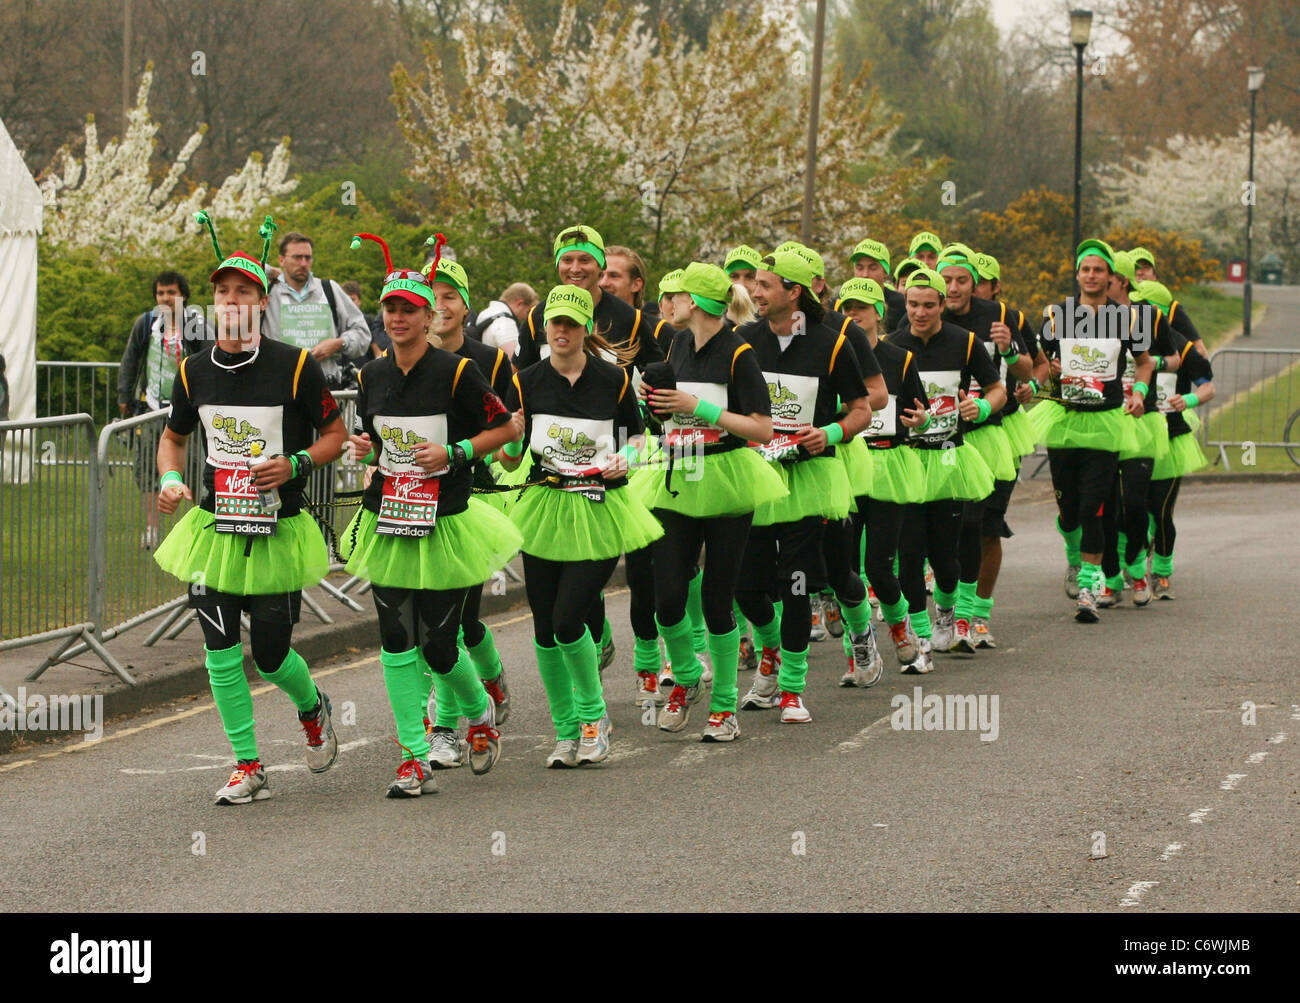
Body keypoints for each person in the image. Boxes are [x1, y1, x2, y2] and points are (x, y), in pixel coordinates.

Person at [154, 212, 346, 805]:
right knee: (217, 646)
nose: (231, 299)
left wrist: (297, 464)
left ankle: (312, 706)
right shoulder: (193, 369)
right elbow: (175, 438)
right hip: (216, 528)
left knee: (270, 651)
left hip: (278, 527)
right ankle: (247, 763)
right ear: (212, 302)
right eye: (222, 291)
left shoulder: (293, 364)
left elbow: (334, 433)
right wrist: (168, 477)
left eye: (243, 291)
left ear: (262, 302)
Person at [338, 235, 521, 796]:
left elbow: (508, 429)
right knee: (395, 638)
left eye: (408, 309)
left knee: (441, 645)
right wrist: (364, 448)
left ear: (428, 314)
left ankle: (477, 713)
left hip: (445, 519)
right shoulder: (372, 375)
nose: (397, 318)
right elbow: (375, 432)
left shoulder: (458, 372)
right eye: (389, 309)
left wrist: (457, 452)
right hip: (388, 515)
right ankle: (413, 757)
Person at [499, 284, 663, 766]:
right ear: (546, 326)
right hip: (544, 505)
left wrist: (623, 460)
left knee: (570, 618)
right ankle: (566, 730)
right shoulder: (526, 379)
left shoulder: (610, 379)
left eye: (572, 322)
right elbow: (511, 459)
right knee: (546, 627)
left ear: (587, 327)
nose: (563, 331)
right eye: (556, 322)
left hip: (599, 507)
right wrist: (511, 433)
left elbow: (637, 437)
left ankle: (594, 720)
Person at [639, 262, 786, 740]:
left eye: (677, 295)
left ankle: (724, 707)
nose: (669, 303)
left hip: (726, 477)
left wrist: (696, 407)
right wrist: (654, 403)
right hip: (679, 473)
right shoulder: (678, 342)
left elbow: (762, 428)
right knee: (667, 600)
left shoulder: (739, 353)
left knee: (718, 601)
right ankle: (685, 677)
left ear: (698, 303)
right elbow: (670, 415)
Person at [514, 224, 668, 681]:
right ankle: (591, 643)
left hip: (616, 458)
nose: (575, 268)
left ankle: (646, 658)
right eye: (567, 259)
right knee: (561, 590)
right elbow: (524, 382)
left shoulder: (633, 320)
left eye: (585, 260)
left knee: (636, 567)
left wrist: (640, 431)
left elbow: (660, 376)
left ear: (601, 268)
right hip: (550, 466)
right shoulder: (536, 315)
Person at [734, 250, 871, 723]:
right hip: (754, 475)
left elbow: (862, 408)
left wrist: (829, 433)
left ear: (794, 293)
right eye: (755, 283)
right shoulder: (743, 340)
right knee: (747, 587)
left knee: (795, 585)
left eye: (765, 285)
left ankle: (790, 687)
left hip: (809, 480)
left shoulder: (833, 344)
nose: (755, 292)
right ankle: (770, 651)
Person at [419, 252, 520, 763]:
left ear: (465, 306)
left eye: (449, 297)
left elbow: (510, 434)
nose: (439, 306)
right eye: (431, 297)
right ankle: (449, 721)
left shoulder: (492, 361)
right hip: (411, 501)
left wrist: (498, 445)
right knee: (437, 622)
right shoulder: (402, 358)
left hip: (470, 496)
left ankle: (459, 712)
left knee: (461, 620)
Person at [1035, 239, 1154, 622]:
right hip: (1065, 419)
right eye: (1085, 269)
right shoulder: (1058, 315)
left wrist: (1138, 392)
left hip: (1105, 422)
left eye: (1098, 270)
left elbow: (1145, 363)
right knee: (1068, 509)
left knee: (1094, 507)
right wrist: (1046, 374)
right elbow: (1041, 361)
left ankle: (1089, 587)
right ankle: (1074, 558)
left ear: (1110, 277)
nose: (1091, 275)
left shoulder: (1127, 319)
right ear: (1078, 274)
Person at [890, 268, 1001, 669]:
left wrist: (982, 406)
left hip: (950, 457)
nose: (920, 313)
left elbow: (996, 387)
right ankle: (920, 636)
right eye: (913, 305)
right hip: (909, 459)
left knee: (945, 552)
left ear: (941, 305)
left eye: (929, 305)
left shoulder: (965, 342)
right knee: (909, 549)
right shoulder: (892, 344)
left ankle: (948, 614)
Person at [836, 278, 931, 676]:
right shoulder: (834, 355)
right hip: (845, 464)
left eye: (862, 307)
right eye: (847, 308)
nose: (854, 315)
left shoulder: (900, 358)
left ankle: (901, 628)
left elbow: (921, 409)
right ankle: (858, 650)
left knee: (877, 566)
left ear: (879, 313)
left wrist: (922, 419)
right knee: (842, 567)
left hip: (889, 464)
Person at [936, 244, 1029, 653]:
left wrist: (1009, 348)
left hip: (992, 434)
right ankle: (948, 612)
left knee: (984, 525)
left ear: (975, 284)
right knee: (948, 528)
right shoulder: (922, 316)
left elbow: (1030, 367)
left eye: (961, 280)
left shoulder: (998, 316)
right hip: (941, 439)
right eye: (947, 280)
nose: (953, 288)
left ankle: (977, 614)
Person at [117, 270, 213, 549]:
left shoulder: (197, 324)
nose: (166, 298)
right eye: (161, 293)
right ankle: (151, 529)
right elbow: (130, 360)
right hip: (151, 408)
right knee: (147, 469)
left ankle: (199, 528)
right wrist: (124, 394)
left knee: (195, 470)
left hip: (188, 412)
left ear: (183, 295)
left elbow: (209, 360)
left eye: (172, 293)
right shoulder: (146, 323)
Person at [1137, 279, 1215, 599]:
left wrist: (1190, 401)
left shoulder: (1180, 345)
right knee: (1132, 507)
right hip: (1135, 436)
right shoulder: (1126, 342)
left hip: (1171, 437)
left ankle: (1162, 572)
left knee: (1160, 508)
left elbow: (1208, 386)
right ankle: (1132, 566)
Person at [264, 231, 372, 389]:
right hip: (278, 389)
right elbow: (234, 265)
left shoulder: (329, 289)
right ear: (281, 260)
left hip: (326, 390)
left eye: (307, 258)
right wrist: (266, 270)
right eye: (296, 257)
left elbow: (363, 333)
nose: (303, 263)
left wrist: (339, 343)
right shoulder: (267, 293)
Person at [850, 238, 906, 333]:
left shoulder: (901, 304)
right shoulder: (839, 303)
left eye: (872, 268)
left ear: (885, 272)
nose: (865, 274)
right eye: (860, 268)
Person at [470, 282, 538, 359]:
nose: (526, 317)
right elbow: (515, 360)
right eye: (528, 312)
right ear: (520, 304)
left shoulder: (486, 313)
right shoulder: (505, 323)